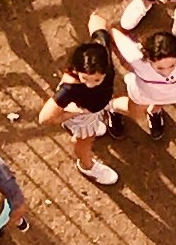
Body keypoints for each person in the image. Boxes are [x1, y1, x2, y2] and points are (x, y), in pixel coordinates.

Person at [102, 9, 176, 143]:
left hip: (174, 91)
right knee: (135, 113)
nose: (167, 72)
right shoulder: (137, 58)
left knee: (160, 103)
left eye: (171, 66)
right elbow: (112, 32)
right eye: (160, 67)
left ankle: (154, 111)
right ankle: (113, 108)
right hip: (143, 93)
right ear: (148, 58)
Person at [37, 34, 122, 188]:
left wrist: (98, 19)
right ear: (77, 70)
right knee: (85, 140)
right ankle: (86, 165)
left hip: (92, 110)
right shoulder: (69, 89)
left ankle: (75, 125)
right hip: (83, 114)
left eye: (97, 80)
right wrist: (72, 113)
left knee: (90, 128)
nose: (90, 85)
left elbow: (99, 25)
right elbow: (44, 118)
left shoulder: (103, 54)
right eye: (85, 78)